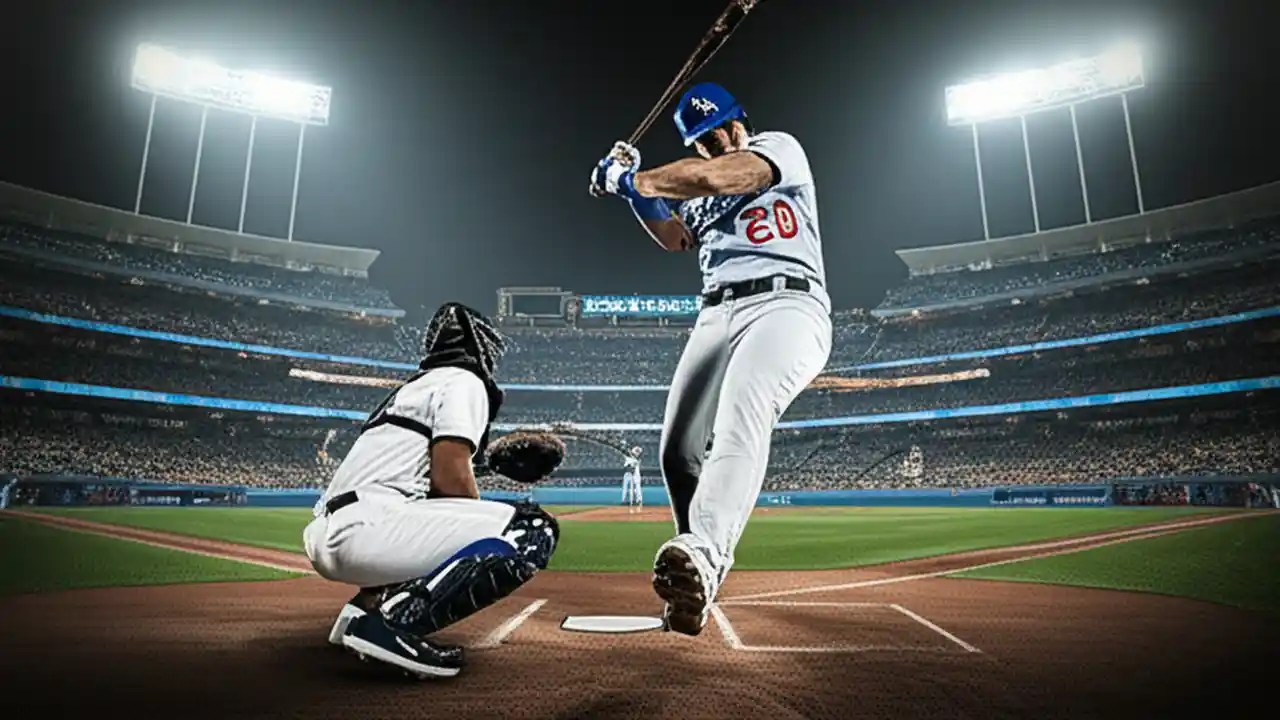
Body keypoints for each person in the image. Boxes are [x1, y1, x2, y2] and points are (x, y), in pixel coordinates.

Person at [589, 82, 832, 635]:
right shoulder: (697, 190)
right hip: (715, 312)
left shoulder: (778, 148)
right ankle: (690, 578)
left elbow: (723, 176)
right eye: (704, 138)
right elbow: (674, 237)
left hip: (786, 304)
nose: (716, 142)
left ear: (740, 119)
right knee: (676, 451)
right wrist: (633, 194)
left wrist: (633, 178)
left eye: (722, 128)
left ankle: (705, 551)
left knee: (741, 417)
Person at [302, 302, 559, 679]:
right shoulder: (463, 380)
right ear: (481, 348)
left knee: (437, 525)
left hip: (334, 530)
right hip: (369, 528)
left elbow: (422, 483)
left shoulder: (413, 389)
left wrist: (482, 471)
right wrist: (475, 521)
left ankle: (364, 611)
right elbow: (450, 479)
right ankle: (393, 626)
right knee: (532, 530)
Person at [622, 446, 644, 514]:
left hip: (636, 475)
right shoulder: (629, 458)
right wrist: (630, 467)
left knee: (637, 488)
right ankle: (629, 501)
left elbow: (638, 455)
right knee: (630, 488)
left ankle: (639, 501)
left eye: (638, 452)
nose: (637, 453)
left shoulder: (637, 459)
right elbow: (626, 467)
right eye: (636, 452)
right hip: (630, 475)